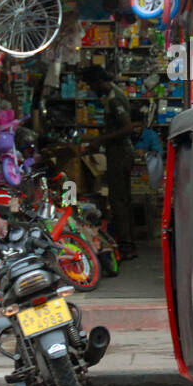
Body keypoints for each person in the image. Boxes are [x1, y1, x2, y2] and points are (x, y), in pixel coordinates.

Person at [79, 66, 138, 262]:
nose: (91, 89)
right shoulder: (113, 94)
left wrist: (100, 141)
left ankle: (126, 247)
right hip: (119, 152)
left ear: (97, 82)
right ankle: (128, 244)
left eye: (91, 85)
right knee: (123, 200)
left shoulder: (114, 98)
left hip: (120, 153)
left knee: (118, 200)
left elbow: (127, 127)